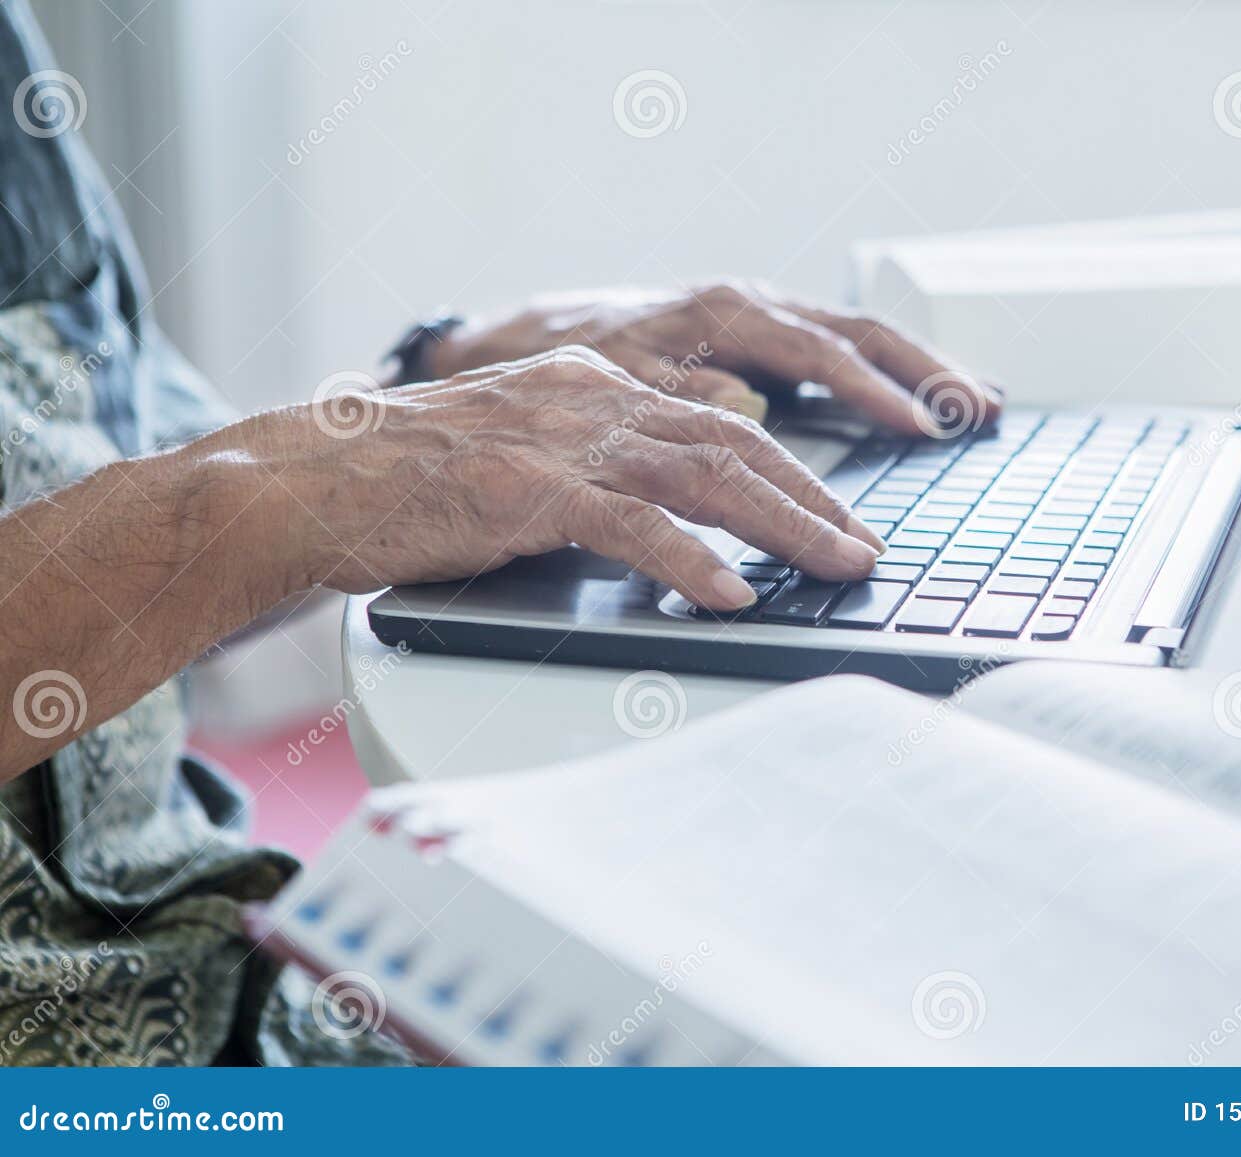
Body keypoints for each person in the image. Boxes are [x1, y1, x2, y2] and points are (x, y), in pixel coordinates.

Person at [0, 0, 997, 1064]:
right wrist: (246, 503)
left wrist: (435, 399)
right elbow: (214, 521)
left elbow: (139, 543)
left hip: (236, 969)